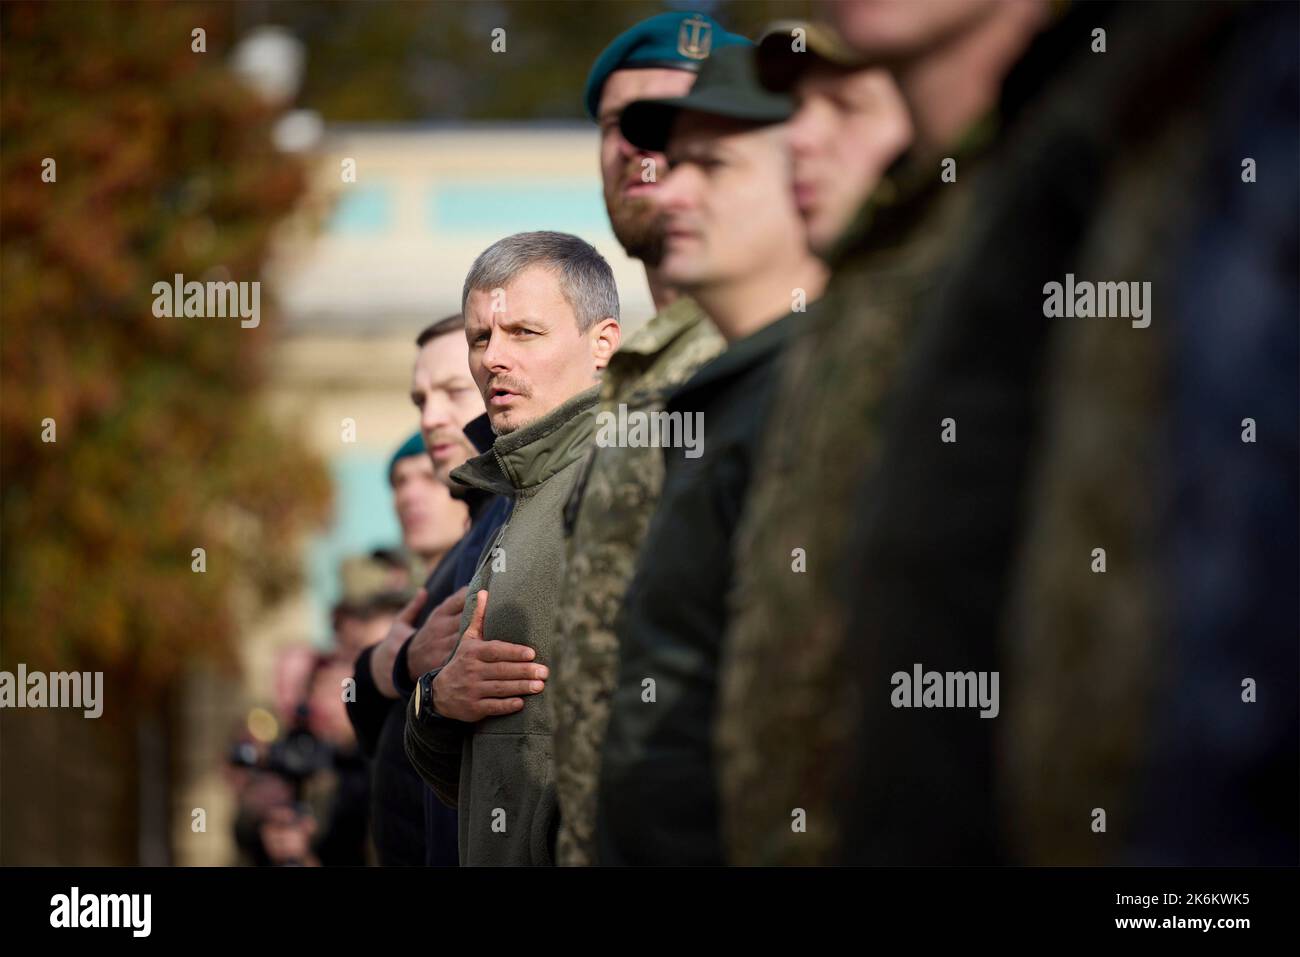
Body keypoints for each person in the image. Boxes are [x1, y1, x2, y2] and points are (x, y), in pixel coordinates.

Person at [595, 44, 827, 866]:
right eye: (674, 159)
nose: (672, 185)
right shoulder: (729, 392)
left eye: (714, 166)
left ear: (808, 180)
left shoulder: (817, 394)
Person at [549, 10, 740, 867]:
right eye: (613, 124)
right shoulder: (623, 378)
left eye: (667, 119)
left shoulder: (767, 349)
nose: (634, 143)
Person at [405, 231, 620, 866]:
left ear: (602, 344)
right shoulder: (513, 499)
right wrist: (438, 701)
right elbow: (471, 783)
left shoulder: (629, 480)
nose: (494, 358)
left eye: (523, 333)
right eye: (480, 338)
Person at [346, 315, 509, 866]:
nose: (431, 419)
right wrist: (389, 666)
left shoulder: (510, 523)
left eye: (453, 390)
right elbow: (375, 728)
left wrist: (410, 675)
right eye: (420, 400)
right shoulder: (475, 527)